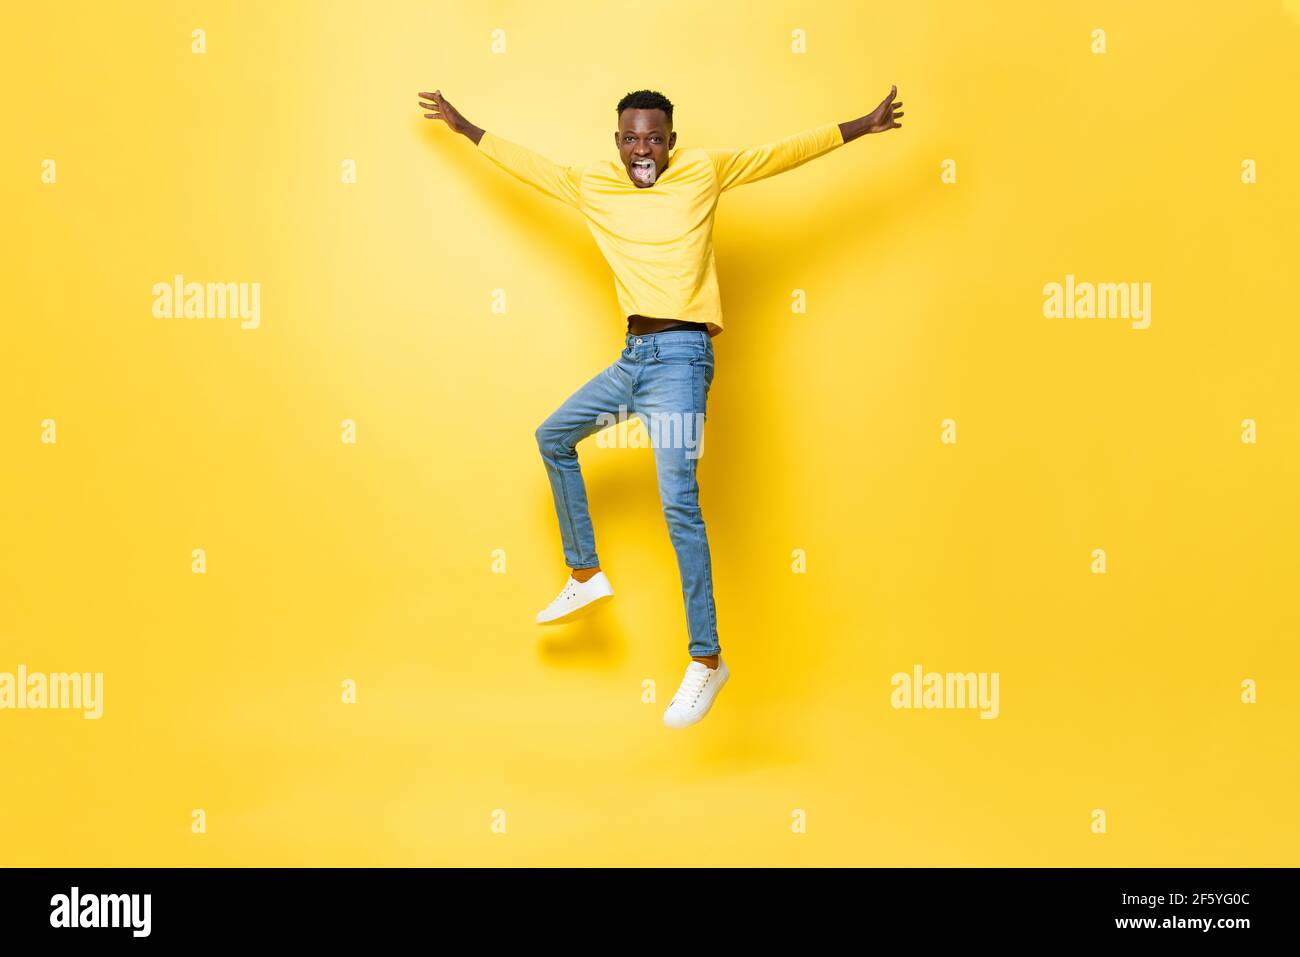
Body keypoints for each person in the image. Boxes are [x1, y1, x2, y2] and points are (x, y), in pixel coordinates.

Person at [418, 86, 904, 728]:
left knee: (678, 504)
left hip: (681, 360)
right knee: (552, 436)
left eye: (653, 138)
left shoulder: (704, 170)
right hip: (633, 360)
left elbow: (780, 154)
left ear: (671, 142)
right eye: (630, 138)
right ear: (616, 142)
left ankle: (706, 661)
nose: (641, 149)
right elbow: (531, 167)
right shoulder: (592, 182)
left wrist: (859, 126)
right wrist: (465, 127)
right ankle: (585, 572)